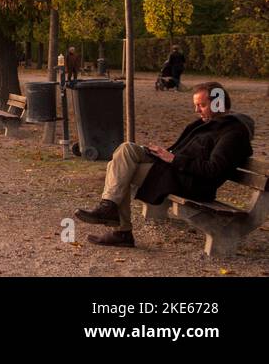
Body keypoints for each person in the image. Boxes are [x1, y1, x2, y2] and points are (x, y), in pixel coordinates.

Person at [73, 81, 253, 247]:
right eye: (196, 105)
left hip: (191, 183)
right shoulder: (206, 123)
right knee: (126, 149)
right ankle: (110, 209)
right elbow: (186, 151)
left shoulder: (232, 133)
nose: (197, 111)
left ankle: (121, 229)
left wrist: (173, 159)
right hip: (174, 169)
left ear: (218, 103)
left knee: (120, 170)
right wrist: (163, 154)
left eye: (202, 105)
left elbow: (213, 170)